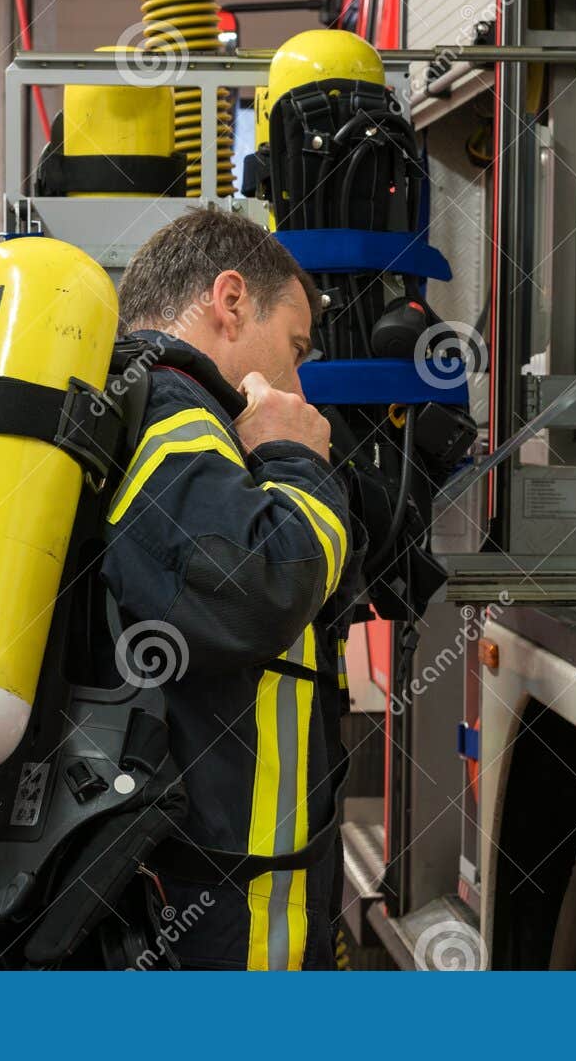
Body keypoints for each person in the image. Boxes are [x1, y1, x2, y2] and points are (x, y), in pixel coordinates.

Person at [101, 207, 357, 970]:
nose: (300, 379)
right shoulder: (174, 411)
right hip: (211, 910)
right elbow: (260, 586)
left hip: (188, 880)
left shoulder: (124, 403)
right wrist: (296, 457)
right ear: (231, 299)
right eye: (296, 346)